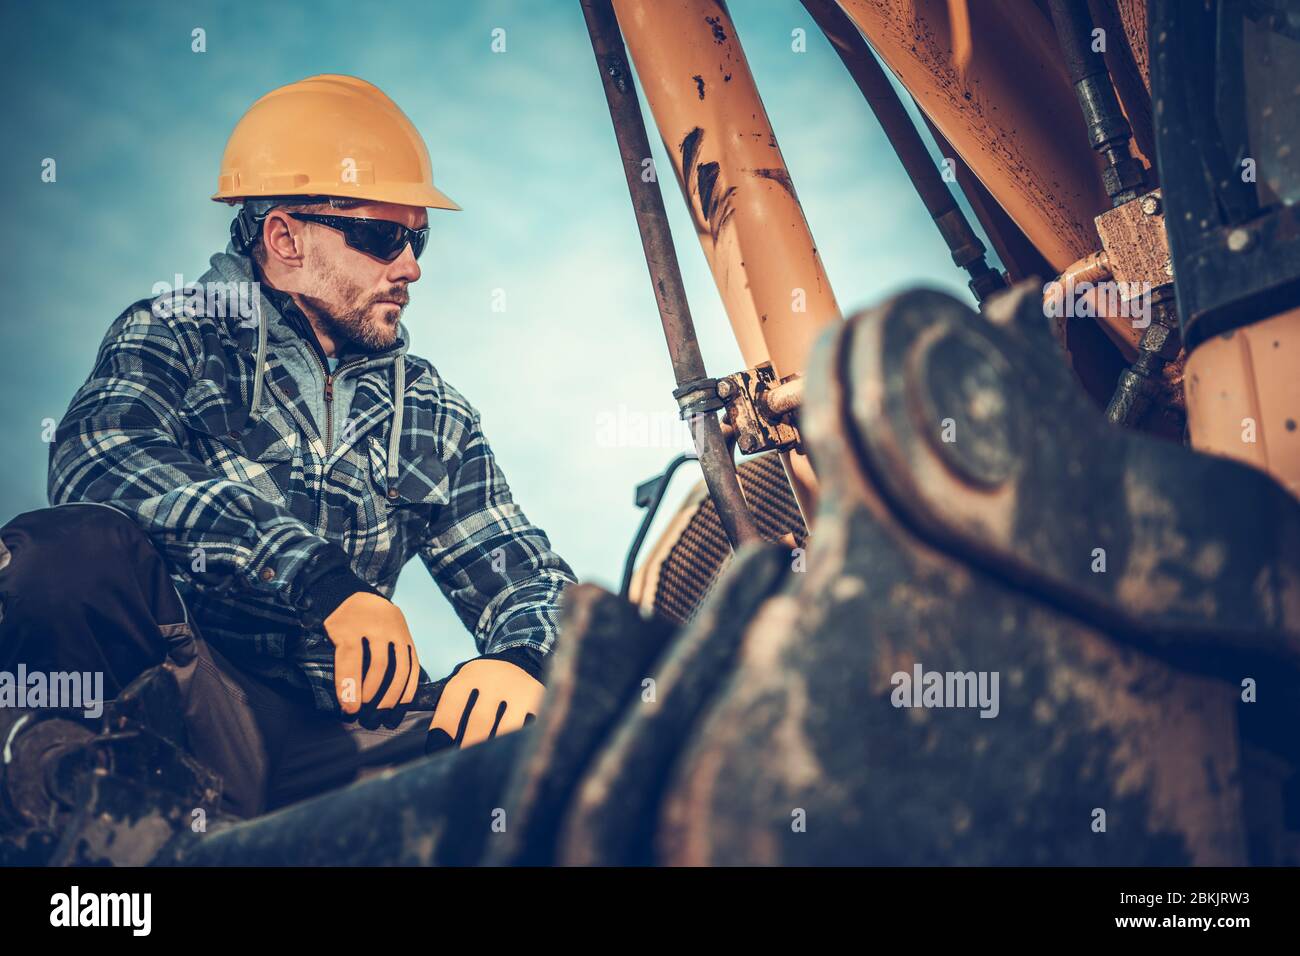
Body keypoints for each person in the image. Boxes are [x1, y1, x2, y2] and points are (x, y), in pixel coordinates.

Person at [0, 75, 576, 820]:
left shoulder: (433, 412)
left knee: (530, 745)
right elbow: (100, 455)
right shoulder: (178, 332)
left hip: (344, 734)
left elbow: (527, 574)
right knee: (64, 551)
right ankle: (95, 820)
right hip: (187, 703)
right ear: (284, 238)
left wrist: (522, 658)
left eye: (418, 238)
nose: (411, 266)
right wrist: (319, 581)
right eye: (382, 236)